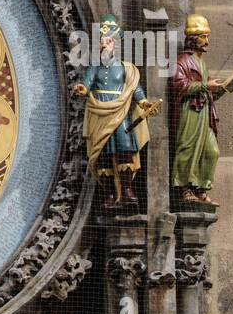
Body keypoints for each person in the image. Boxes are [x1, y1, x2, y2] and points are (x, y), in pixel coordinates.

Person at [73, 16, 160, 207]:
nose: (105, 45)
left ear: (116, 45)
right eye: (103, 41)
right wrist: (82, 89)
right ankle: (110, 193)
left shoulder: (125, 68)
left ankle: (127, 189)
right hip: (100, 111)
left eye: (109, 41)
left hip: (121, 113)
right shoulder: (94, 67)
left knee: (125, 149)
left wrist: (144, 102)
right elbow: (86, 84)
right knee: (102, 153)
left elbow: (134, 88)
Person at [170, 14, 223, 204]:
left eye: (207, 36)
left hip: (204, 111)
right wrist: (204, 86)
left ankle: (202, 187)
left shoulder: (202, 63)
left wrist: (214, 90)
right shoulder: (182, 61)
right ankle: (185, 188)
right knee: (188, 147)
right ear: (193, 39)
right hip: (190, 111)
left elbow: (204, 86)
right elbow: (179, 84)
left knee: (211, 151)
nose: (206, 41)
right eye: (203, 36)